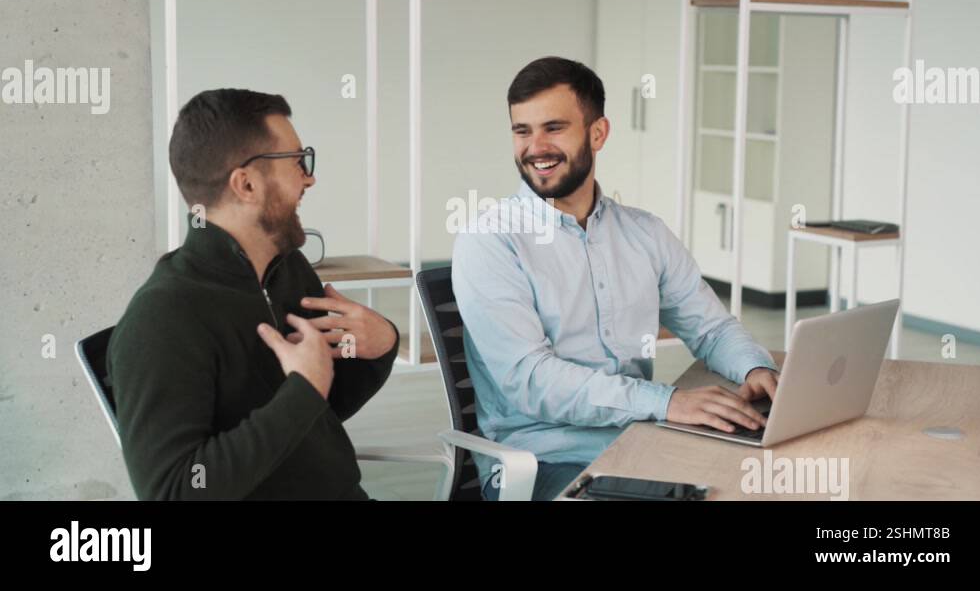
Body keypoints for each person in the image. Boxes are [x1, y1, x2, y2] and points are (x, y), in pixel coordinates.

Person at [452, 57, 779, 501]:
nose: (536, 147)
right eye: (522, 131)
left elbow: (711, 327)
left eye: (554, 128)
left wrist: (754, 367)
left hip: (643, 439)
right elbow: (530, 380)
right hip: (542, 462)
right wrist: (666, 402)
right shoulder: (490, 240)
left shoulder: (644, 232)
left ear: (598, 133)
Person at [108, 88, 399, 500]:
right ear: (246, 184)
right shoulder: (162, 318)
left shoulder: (286, 270)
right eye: (298, 161)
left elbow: (324, 406)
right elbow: (172, 491)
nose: (309, 177)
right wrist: (301, 390)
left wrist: (380, 343)